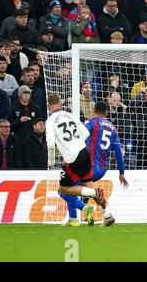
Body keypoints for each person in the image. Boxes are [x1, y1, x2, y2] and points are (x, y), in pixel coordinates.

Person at [61, 101, 129, 226]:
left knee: (65, 190)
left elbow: (79, 137)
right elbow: (118, 152)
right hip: (102, 169)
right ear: (107, 112)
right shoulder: (113, 128)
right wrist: (122, 172)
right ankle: (101, 215)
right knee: (82, 189)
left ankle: (82, 211)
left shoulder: (91, 123)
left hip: (87, 166)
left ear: (94, 110)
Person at [45, 93, 103, 226]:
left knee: (63, 190)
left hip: (72, 157)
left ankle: (84, 207)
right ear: (60, 103)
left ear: (48, 106)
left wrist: (51, 161)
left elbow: (50, 144)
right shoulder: (69, 115)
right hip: (84, 152)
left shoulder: (50, 120)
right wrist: (76, 143)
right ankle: (105, 214)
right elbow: (86, 133)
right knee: (77, 186)